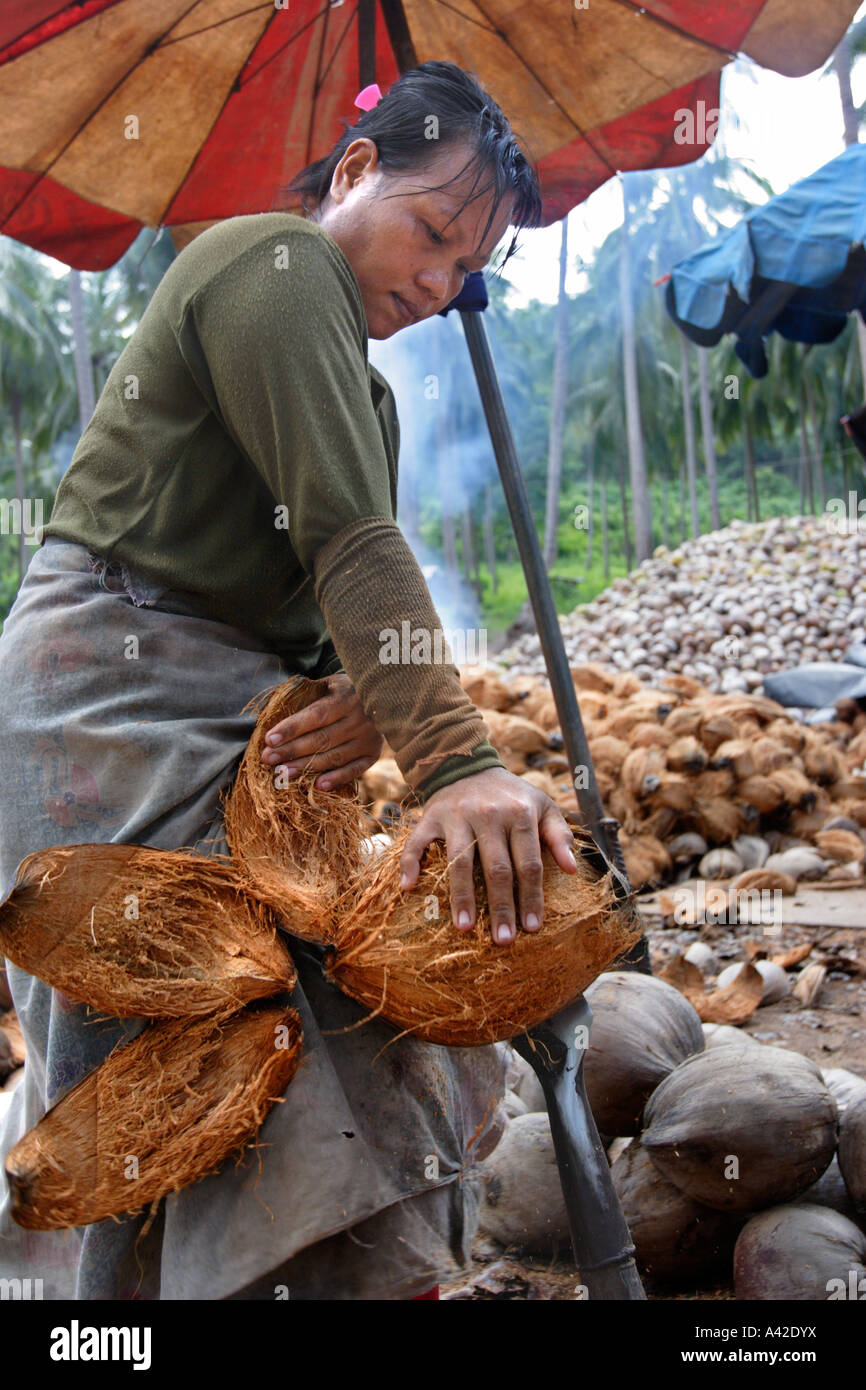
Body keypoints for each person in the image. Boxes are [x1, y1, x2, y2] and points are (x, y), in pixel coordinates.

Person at [0, 60, 576, 1300]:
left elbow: (325, 600)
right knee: (180, 1037)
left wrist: (358, 699)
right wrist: (456, 763)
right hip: (110, 692)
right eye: (430, 233)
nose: (436, 283)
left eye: (464, 272)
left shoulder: (366, 394)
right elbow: (351, 543)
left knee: (331, 1011)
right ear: (357, 167)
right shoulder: (269, 262)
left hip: (232, 716)